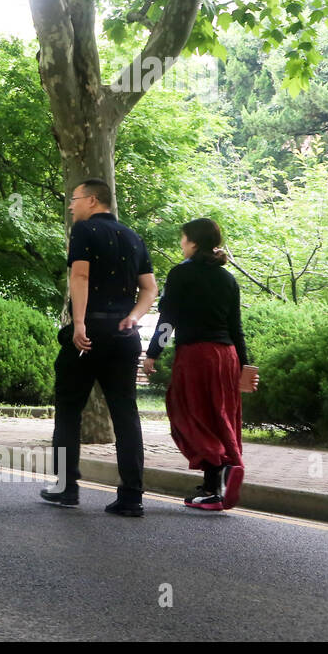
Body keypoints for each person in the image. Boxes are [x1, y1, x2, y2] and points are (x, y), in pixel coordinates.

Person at [41, 179, 157, 517]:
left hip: (89, 333)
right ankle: (132, 496)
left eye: (74, 199)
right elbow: (149, 288)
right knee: (125, 413)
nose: (70, 205)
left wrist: (79, 324)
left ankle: (66, 488)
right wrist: (134, 317)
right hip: (123, 335)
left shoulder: (84, 232)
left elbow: (80, 277)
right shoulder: (134, 237)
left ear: (92, 200)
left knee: (68, 409)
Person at [143, 218, 256, 510]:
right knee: (220, 416)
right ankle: (217, 482)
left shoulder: (181, 274)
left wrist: (153, 352)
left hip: (196, 356)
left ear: (193, 242)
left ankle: (219, 473)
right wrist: (244, 365)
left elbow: (168, 320)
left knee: (187, 414)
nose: (181, 244)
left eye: (183, 239)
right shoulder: (228, 279)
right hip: (226, 356)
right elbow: (236, 327)